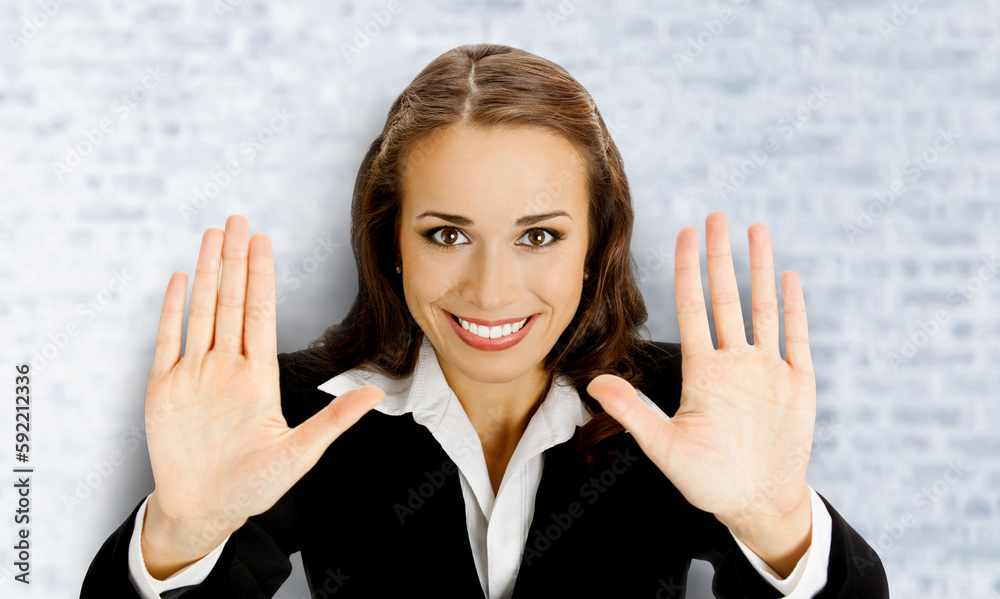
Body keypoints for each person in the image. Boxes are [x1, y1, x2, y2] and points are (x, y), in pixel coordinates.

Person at [81, 43, 889, 598]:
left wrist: (776, 521)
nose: (492, 290)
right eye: (447, 234)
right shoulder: (290, 410)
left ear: (596, 246)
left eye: (538, 236)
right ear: (393, 244)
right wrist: (179, 533)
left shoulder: (688, 404)